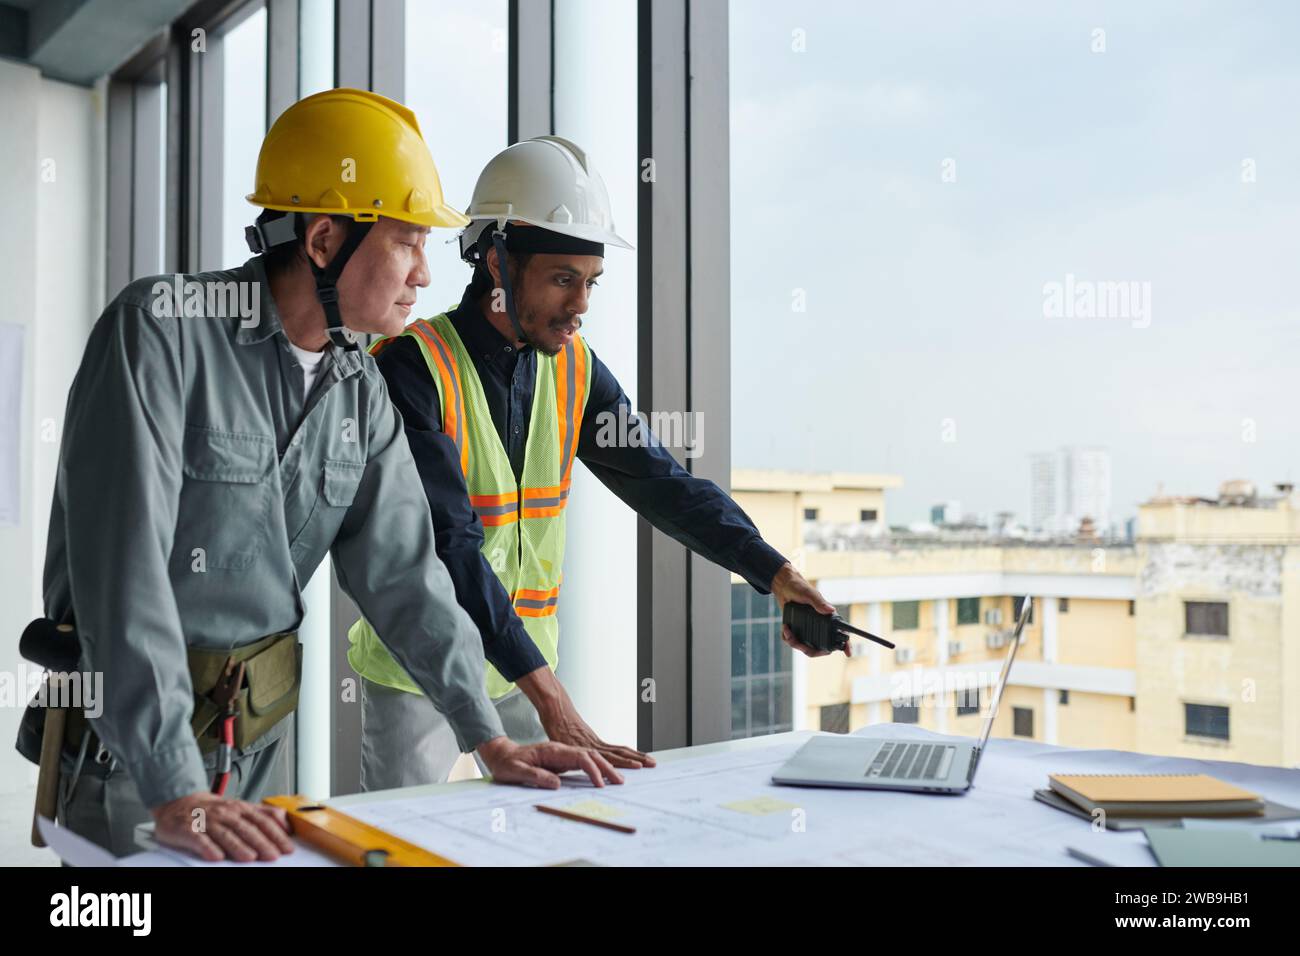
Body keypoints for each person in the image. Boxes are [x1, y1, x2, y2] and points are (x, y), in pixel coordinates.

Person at [15, 91, 619, 863]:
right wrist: (173, 785)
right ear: (326, 238)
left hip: (261, 756)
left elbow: (408, 577)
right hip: (134, 763)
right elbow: (122, 582)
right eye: (407, 243)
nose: (425, 276)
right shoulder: (160, 333)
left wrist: (488, 736)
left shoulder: (357, 389)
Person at [348, 135, 843, 789]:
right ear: (497, 262)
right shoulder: (412, 369)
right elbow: (452, 546)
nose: (581, 304)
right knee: (405, 843)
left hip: (524, 665)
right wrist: (555, 703)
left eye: (590, 284)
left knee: (544, 829)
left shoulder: (573, 370)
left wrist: (778, 576)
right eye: (562, 279)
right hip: (420, 669)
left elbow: (664, 485)